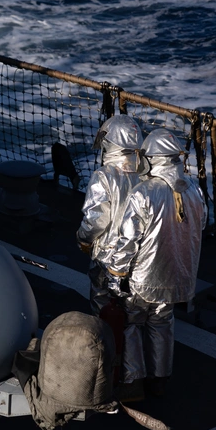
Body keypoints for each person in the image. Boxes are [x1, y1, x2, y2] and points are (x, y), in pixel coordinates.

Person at [104, 129, 207, 400]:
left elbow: (128, 241)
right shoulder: (194, 191)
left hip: (144, 279)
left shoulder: (143, 192)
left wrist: (115, 274)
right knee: (163, 324)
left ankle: (132, 381)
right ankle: (160, 380)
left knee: (131, 324)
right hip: (178, 278)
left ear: (153, 160)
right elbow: (201, 226)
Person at [76, 115, 143, 316]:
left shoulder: (103, 176)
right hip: (140, 255)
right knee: (133, 314)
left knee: (102, 306)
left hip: (108, 256)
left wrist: (82, 239)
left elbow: (95, 221)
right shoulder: (148, 173)